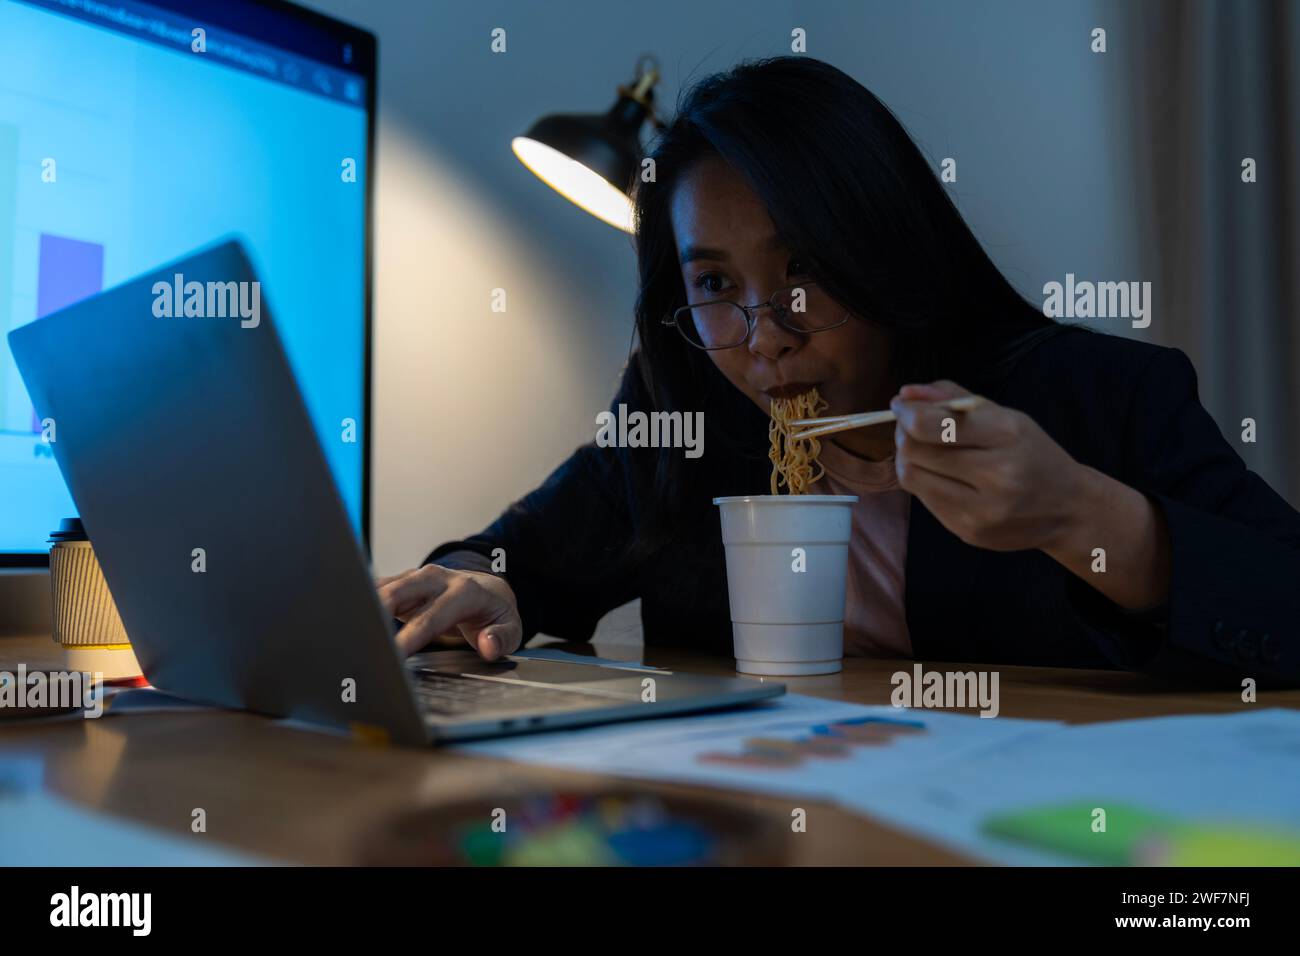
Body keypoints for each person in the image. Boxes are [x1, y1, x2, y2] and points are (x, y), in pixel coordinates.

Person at [378, 56, 1300, 686]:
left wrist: (1080, 514)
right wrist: (481, 582)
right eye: (713, 282)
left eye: (804, 271)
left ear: (886, 248)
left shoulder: (1098, 399)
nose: (766, 336)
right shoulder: (689, 410)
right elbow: (527, 555)